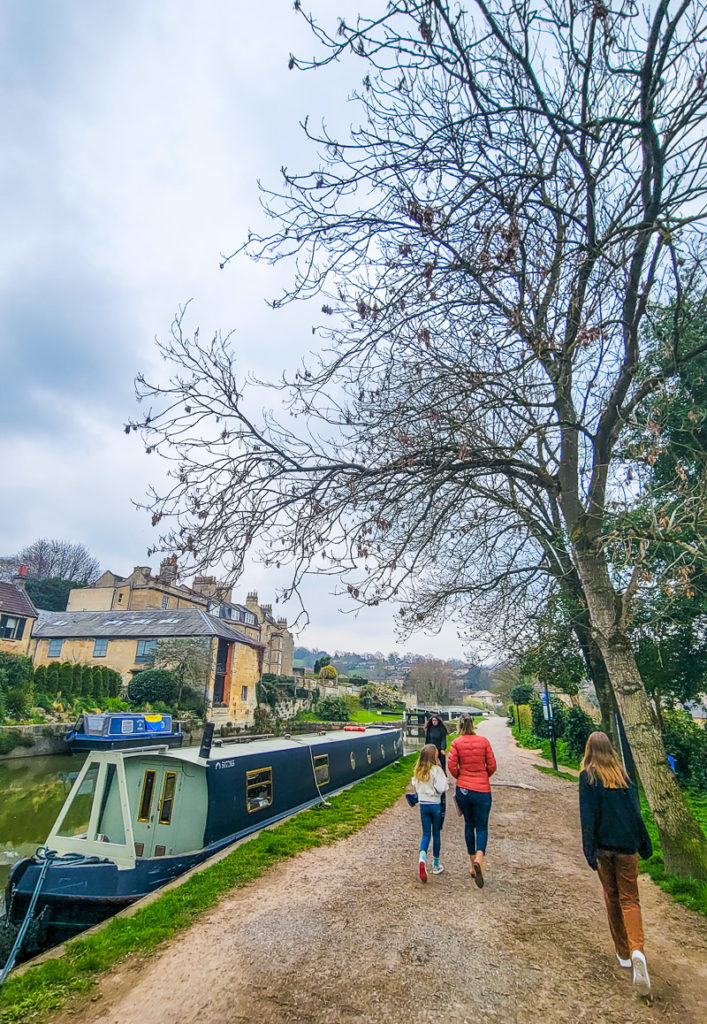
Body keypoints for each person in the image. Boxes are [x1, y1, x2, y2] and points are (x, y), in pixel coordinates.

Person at [579, 732, 653, 997]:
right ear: (610, 749)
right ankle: (637, 950)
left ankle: (622, 952)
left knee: (611, 897)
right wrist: (645, 842)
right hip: (627, 845)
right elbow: (636, 812)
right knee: (630, 899)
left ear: (589, 749)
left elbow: (587, 817)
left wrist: (588, 850)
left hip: (604, 847)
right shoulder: (623, 776)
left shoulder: (588, 777)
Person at [448, 714, 496, 887]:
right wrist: (483, 776)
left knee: (469, 824)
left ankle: (471, 864)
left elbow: (452, 766)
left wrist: (461, 777)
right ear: (473, 724)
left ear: (459, 725)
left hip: (464, 790)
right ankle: (479, 859)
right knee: (482, 826)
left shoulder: (456, 743)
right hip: (482, 789)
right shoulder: (483, 741)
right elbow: (492, 766)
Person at [411, 743, 449, 882]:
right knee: (436, 833)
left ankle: (422, 858)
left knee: (426, 833)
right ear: (434, 756)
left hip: (423, 805)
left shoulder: (419, 771)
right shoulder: (436, 770)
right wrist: (446, 782)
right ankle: (436, 864)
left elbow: (415, 785)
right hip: (435, 805)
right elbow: (441, 788)